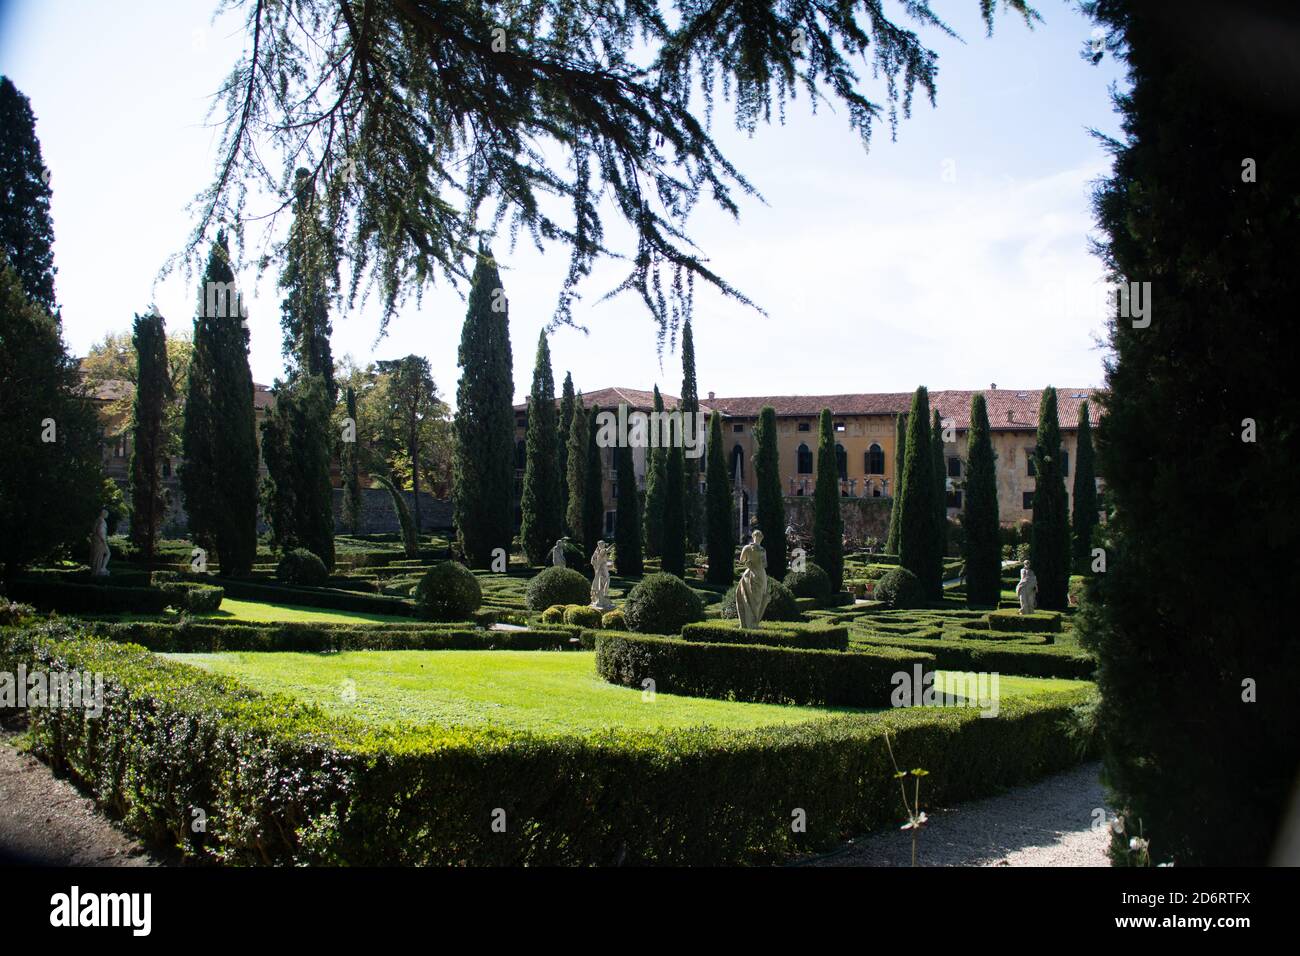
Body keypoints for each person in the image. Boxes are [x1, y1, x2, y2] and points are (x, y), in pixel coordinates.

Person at [735, 530, 770, 628]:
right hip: (759, 574)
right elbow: (765, 564)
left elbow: (742, 560)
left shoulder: (747, 548)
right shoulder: (762, 550)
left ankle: (749, 623)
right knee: (757, 599)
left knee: (749, 598)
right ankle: (753, 623)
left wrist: (749, 561)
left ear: (752, 536)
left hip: (750, 573)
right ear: (761, 538)